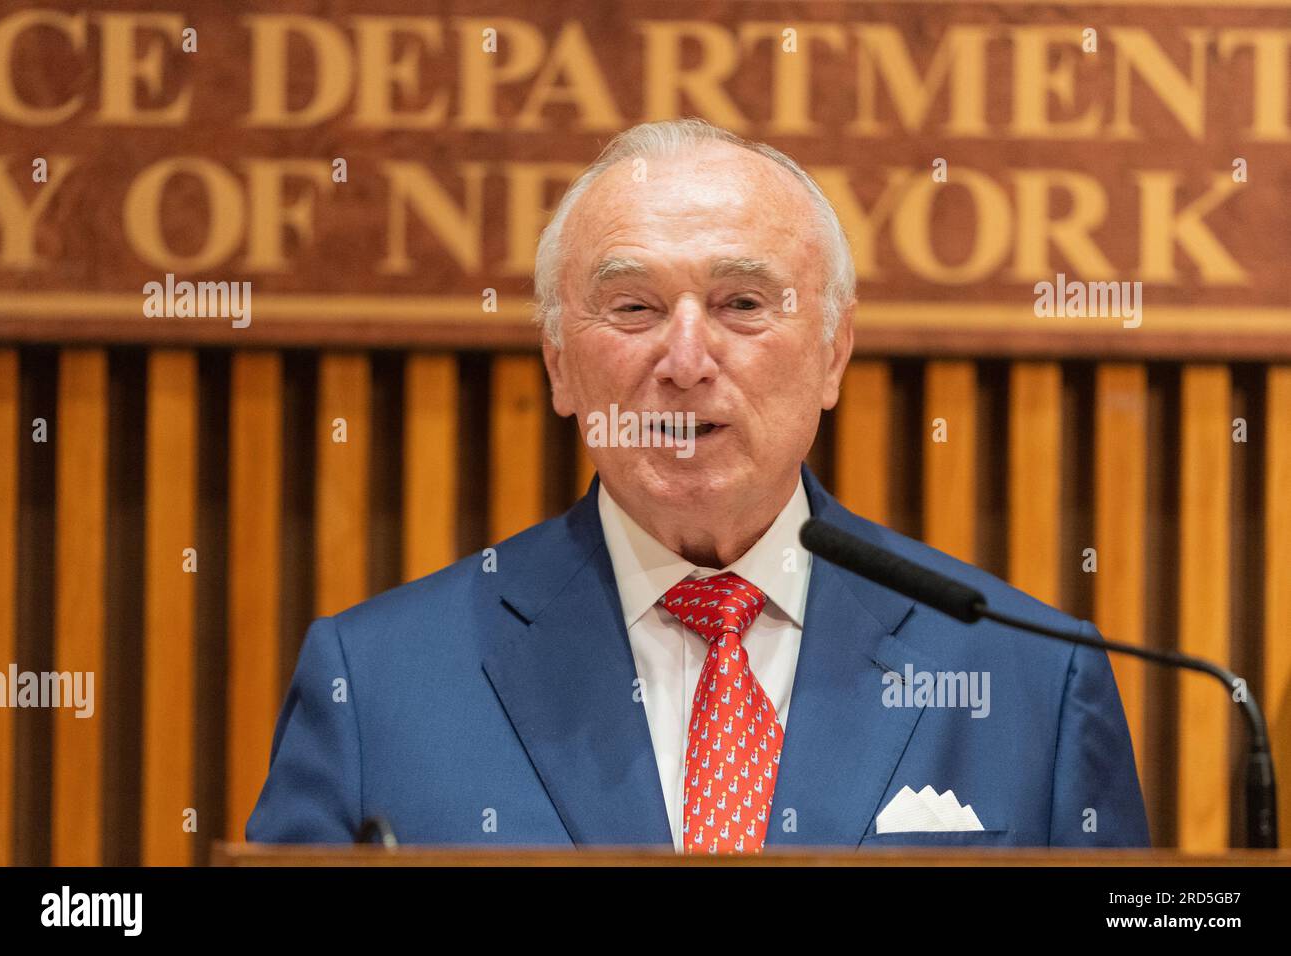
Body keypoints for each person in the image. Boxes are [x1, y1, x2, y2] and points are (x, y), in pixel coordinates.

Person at [247, 118, 1149, 852]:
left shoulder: (1028, 675)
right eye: (633, 306)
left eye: (742, 305)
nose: (684, 361)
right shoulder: (376, 686)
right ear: (559, 363)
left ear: (834, 353)